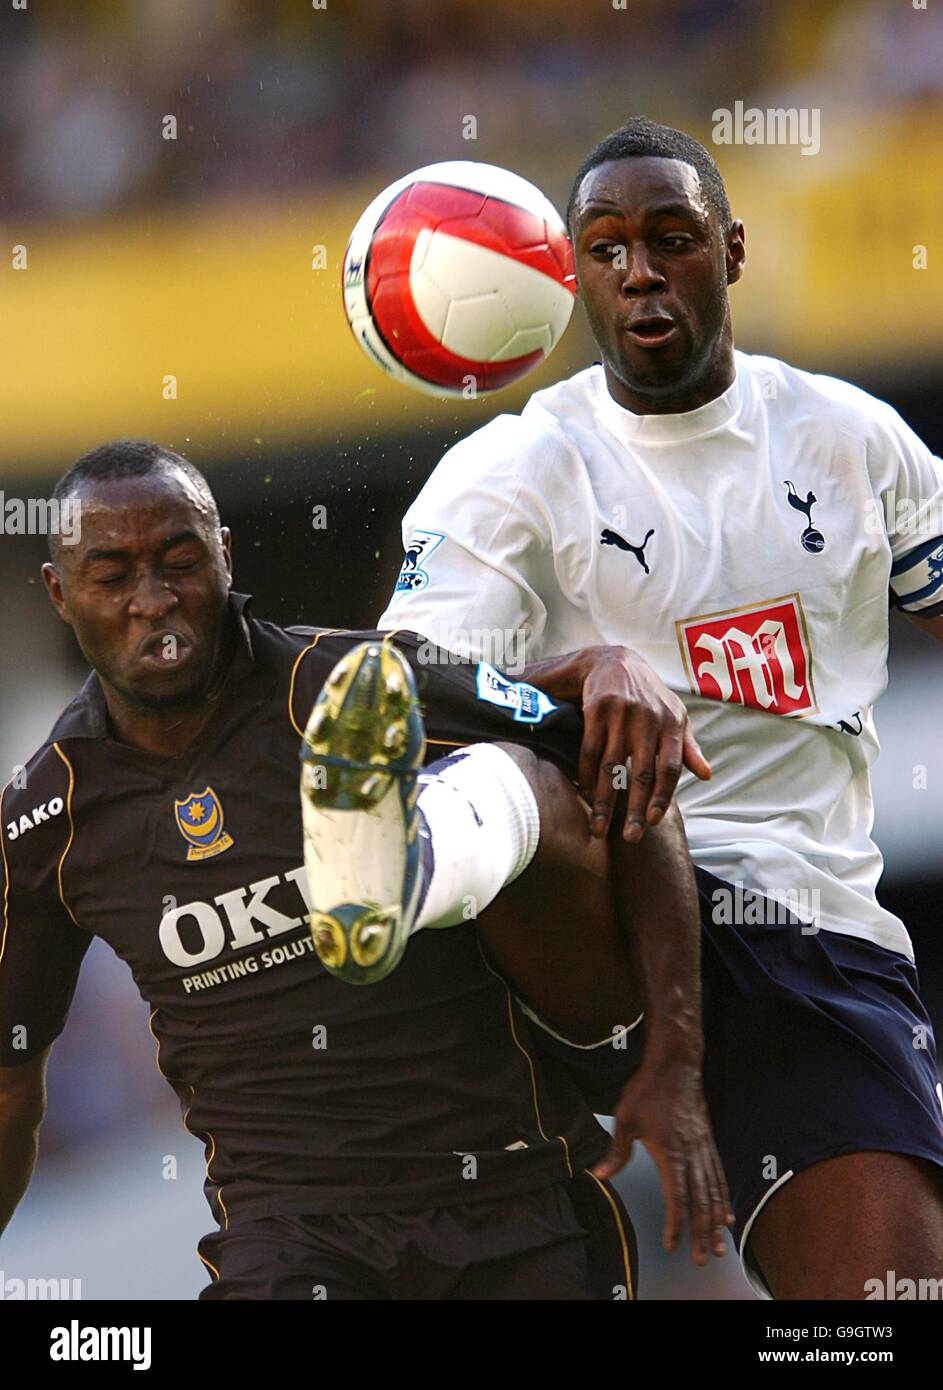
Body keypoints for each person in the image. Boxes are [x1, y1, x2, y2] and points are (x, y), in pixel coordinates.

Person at [377, 117, 943, 1299]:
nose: (638, 271)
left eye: (670, 240)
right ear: (573, 274)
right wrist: (581, 678)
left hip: (801, 929)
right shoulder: (515, 467)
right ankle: (401, 868)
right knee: (518, 767)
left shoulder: (851, 442)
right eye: (605, 248)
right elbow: (396, 686)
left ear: (730, 253)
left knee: (890, 1301)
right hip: (593, 905)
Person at [0, 439, 729, 1301]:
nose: (152, 601)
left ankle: (416, 866)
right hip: (290, 1238)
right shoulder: (46, 816)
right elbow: (11, 1083)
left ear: (225, 553)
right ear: (58, 592)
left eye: (180, 561)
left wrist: (676, 1060)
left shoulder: (358, 684)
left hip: (509, 1199)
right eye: (111, 574)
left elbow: (627, 769)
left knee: (528, 782)